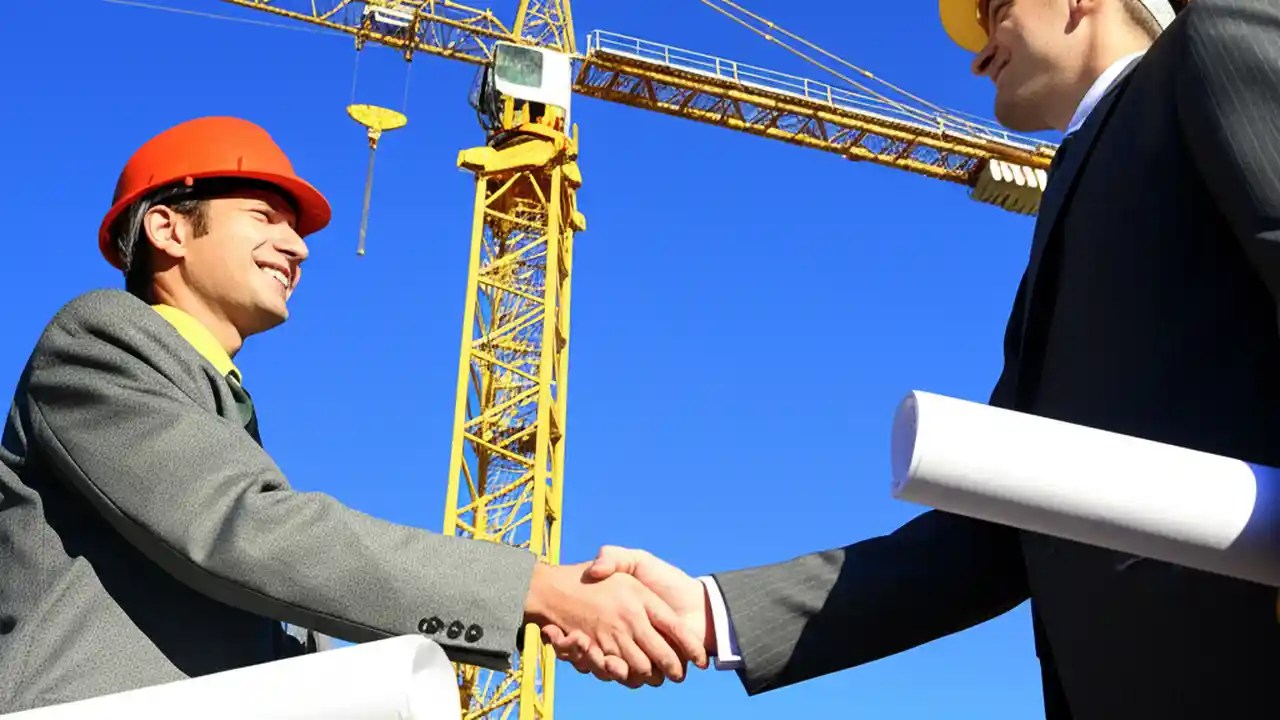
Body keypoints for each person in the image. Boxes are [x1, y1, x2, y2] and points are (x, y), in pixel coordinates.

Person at [545, 0, 1280, 716]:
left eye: (996, 9)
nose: (979, 49)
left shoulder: (1214, 45)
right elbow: (995, 536)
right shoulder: (1076, 190)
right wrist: (709, 611)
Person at [0, 116, 706, 713]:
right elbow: (244, 531)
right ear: (168, 229)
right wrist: (538, 589)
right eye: (264, 218)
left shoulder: (219, 412)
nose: (297, 246)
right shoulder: (98, 340)